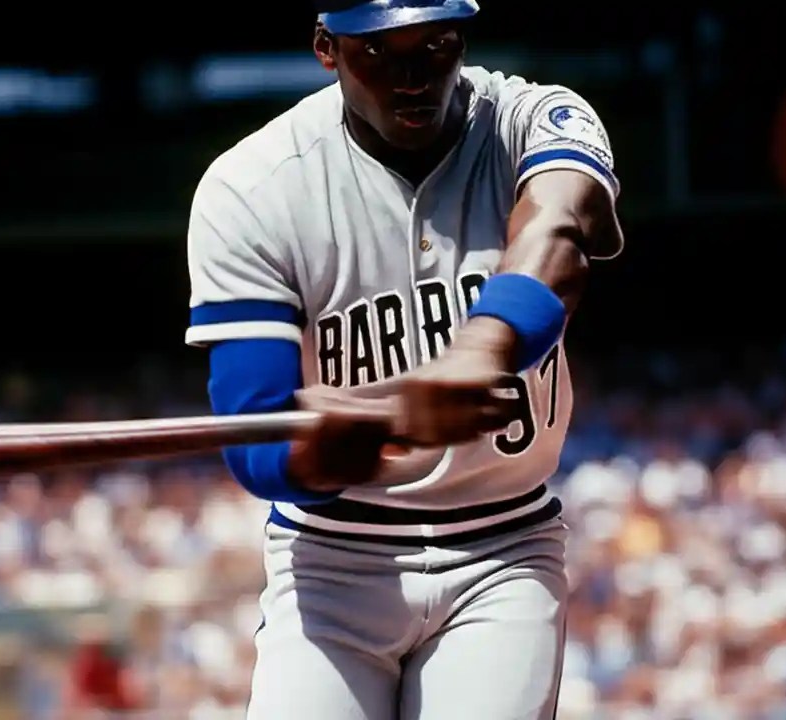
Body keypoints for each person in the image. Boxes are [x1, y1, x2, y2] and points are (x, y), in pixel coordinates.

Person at [184, 1, 625, 718]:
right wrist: (324, 452)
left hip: (503, 548)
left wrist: (479, 350)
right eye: (379, 52)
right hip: (331, 558)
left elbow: (563, 229)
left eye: (435, 45)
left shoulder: (531, 119)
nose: (413, 76)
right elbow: (255, 439)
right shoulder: (252, 186)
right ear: (327, 47)